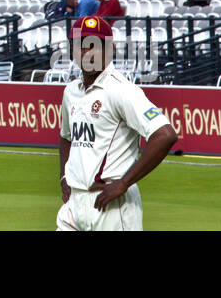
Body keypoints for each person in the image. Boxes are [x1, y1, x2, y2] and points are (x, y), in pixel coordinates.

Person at [57, 15, 178, 231]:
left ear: (109, 50)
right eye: (80, 45)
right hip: (74, 205)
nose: (87, 52)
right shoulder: (71, 91)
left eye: (94, 45)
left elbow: (165, 135)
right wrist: (64, 177)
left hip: (111, 207)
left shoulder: (122, 90)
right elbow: (66, 137)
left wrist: (123, 183)